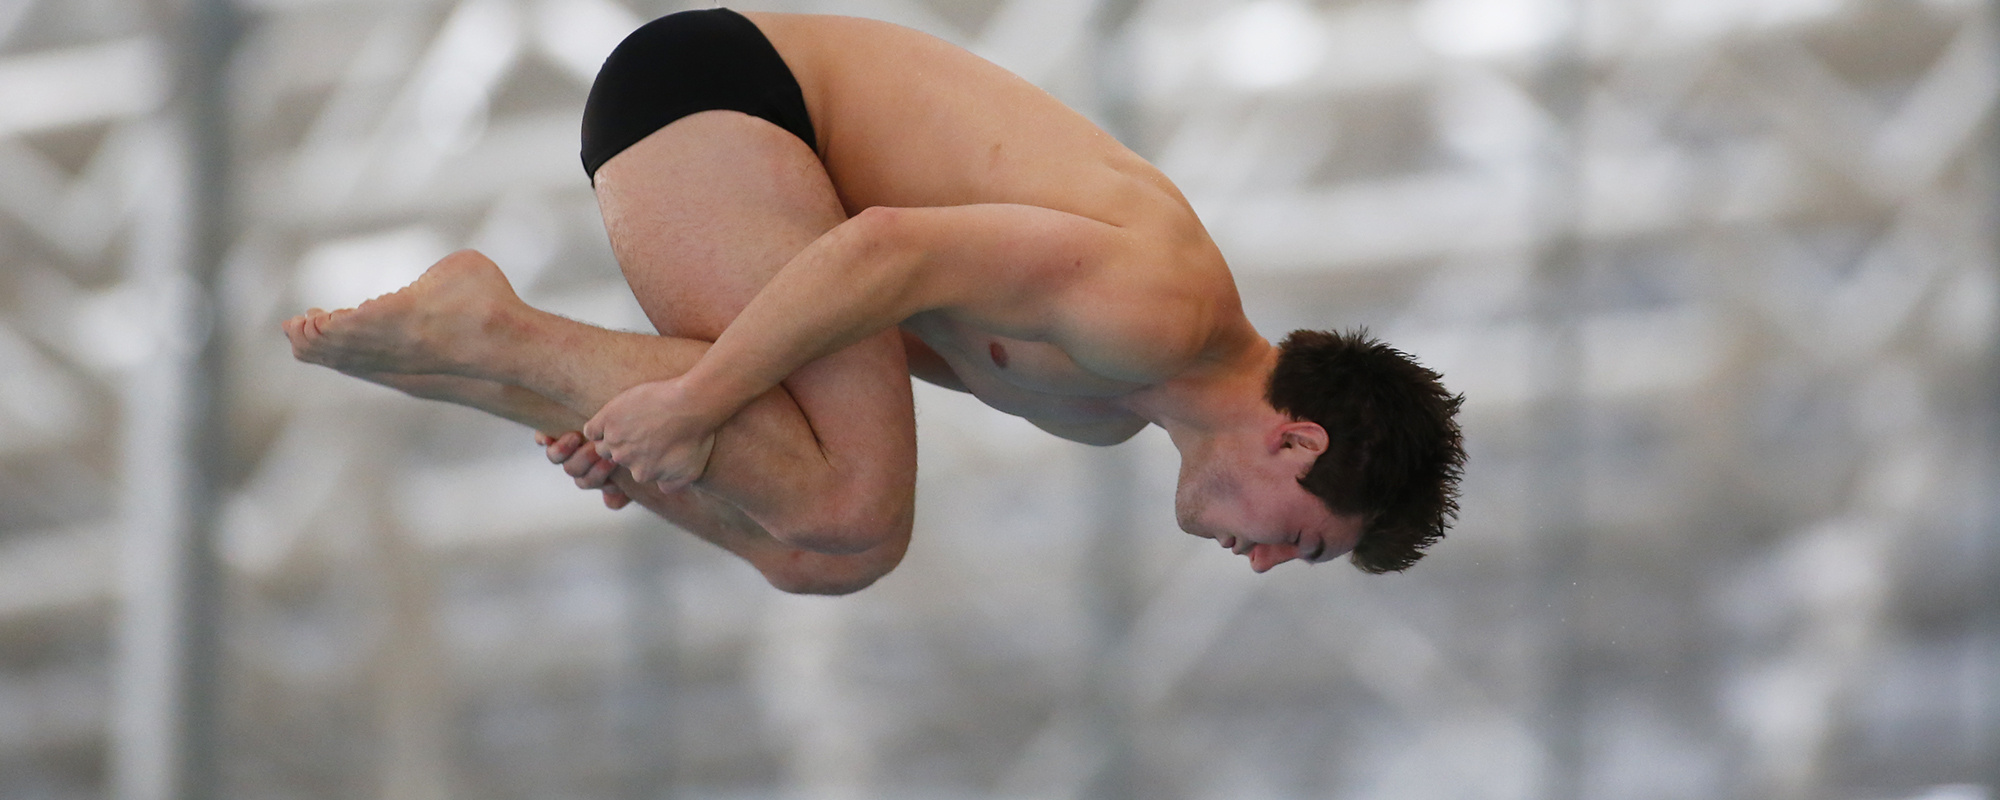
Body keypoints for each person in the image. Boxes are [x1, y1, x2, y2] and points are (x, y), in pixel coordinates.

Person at [283, 8, 1465, 595]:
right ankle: (496, 325)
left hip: (788, 199)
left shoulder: (1103, 410)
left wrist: (658, 439)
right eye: (1299, 540)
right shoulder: (1156, 309)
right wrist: (694, 400)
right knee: (850, 504)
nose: (1260, 561)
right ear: (1295, 437)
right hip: (728, 91)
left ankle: (482, 367)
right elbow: (887, 252)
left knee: (831, 557)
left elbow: (862, 336)